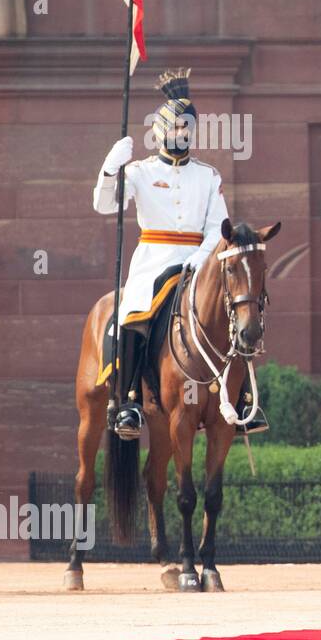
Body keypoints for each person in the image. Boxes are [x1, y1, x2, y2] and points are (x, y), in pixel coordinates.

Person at [92, 68, 267, 438]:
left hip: (198, 261)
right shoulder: (139, 171)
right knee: (127, 317)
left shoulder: (208, 176)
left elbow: (220, 227)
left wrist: (200, 257)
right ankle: (127, 403)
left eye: (187, 129)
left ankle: (244, 401)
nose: (181, 135)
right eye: (175, 128)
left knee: (237, 312)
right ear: (159, 131)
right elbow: (105, 205)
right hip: (153, 259)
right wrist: (110, 168)